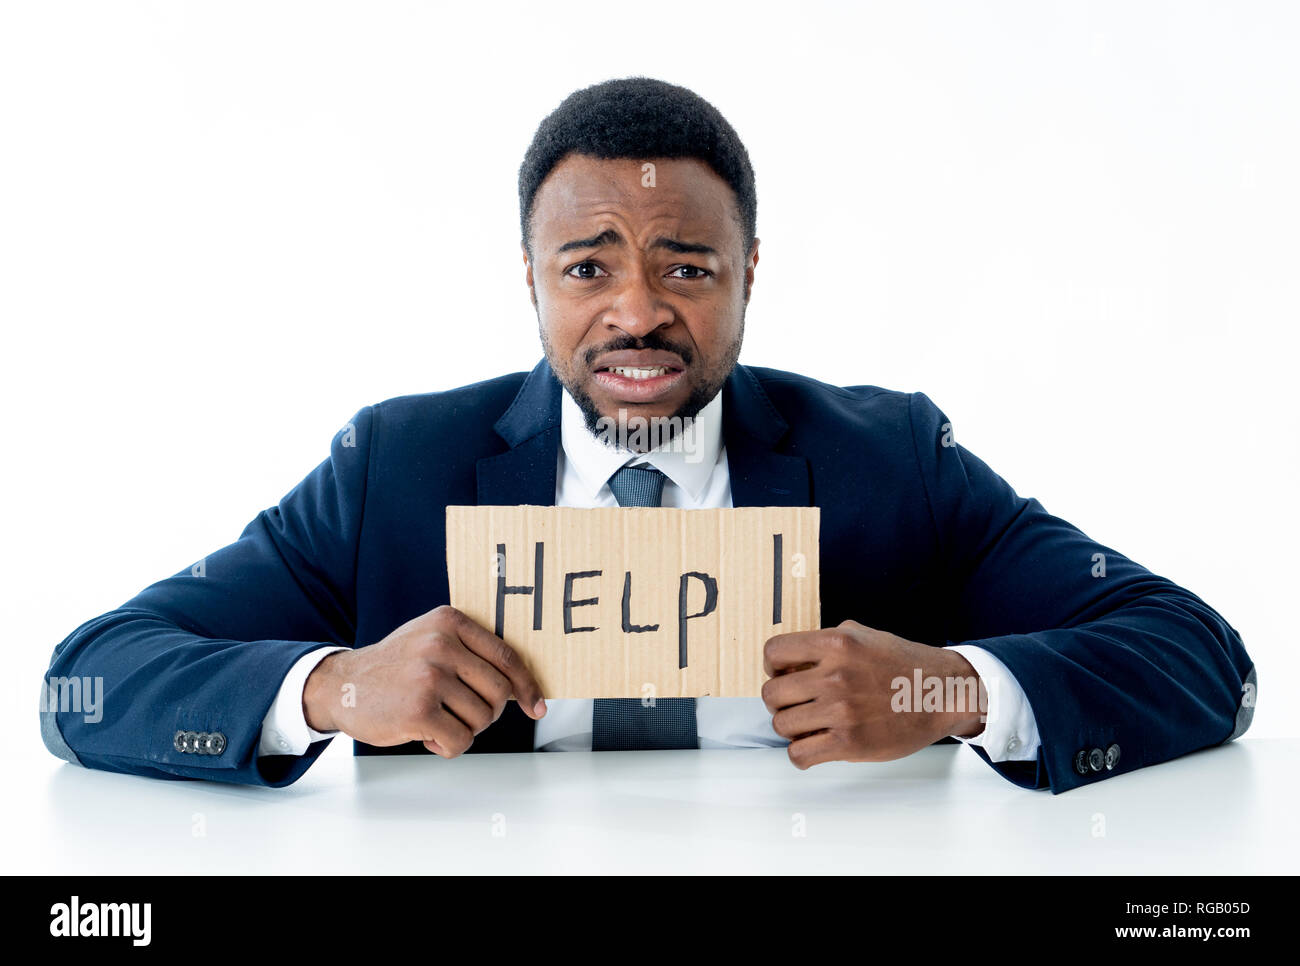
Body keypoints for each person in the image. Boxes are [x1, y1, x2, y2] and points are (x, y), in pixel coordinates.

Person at [40, 77, 1254, 793]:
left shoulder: (894, 462)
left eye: (686, 265)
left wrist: (949, 689)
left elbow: (1203, 656)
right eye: (587, 266)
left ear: (747, 275)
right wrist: (334, 686)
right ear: (529, 278)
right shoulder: (394, 470)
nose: (637, 311)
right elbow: (86, 680)